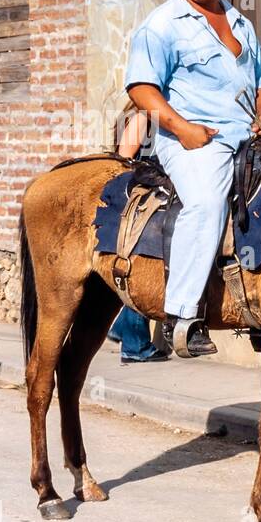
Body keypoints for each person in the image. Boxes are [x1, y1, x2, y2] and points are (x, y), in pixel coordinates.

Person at [123, 0, 261, 358]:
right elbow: (141, 88)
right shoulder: (161, 26)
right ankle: (183, 315)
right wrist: (184, 129)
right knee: (208, 202)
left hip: (246, 135)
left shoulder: (241, 23)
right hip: (193, 140)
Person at [104, 104, 170, 364]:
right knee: (146, 266)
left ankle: (124, 330)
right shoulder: (144, 115)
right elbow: (124, 160)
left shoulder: (143, 115)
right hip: (144, 201)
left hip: (149, 199)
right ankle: (134, 343)